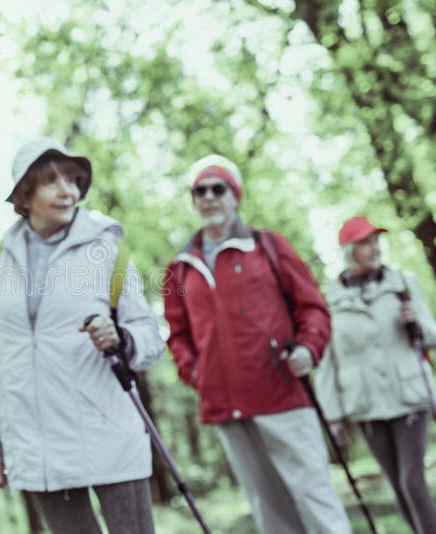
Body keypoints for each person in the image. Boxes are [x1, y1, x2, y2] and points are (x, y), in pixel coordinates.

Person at [0, 138, 165, 534]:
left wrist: (122, 338)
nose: (68, 191)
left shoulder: (106, 248)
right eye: (52, 182)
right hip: (35, 447)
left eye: (72, 180)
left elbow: (149, 334)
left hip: (108, 435)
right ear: (24, 196)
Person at [162, 154, 352, 533]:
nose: (209, 197)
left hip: (281, 393)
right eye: (200, 191)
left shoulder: (269, 247)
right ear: (193, 200)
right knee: (268, 507)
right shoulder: (179, 269)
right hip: (224, 405)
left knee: (314, 496)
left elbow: (314, 309)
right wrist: (197, 373)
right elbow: (178, 335)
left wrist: (307, 349)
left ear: (235, 197)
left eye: (219, 189)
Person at [314, 215, 436, 534]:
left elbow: (432, 335)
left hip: (409, 396)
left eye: (375, 241)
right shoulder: (331, 302)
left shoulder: (402, 285)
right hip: (367, 407)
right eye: (365, 243)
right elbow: (328, 363)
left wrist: (418, 325)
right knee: (397, 484)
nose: (373, 248)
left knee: (412, 481)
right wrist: (334, 417)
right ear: (349, 251)